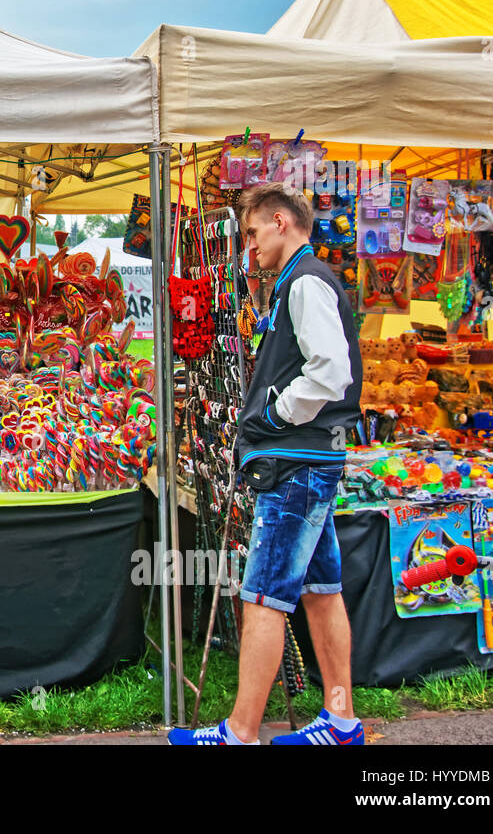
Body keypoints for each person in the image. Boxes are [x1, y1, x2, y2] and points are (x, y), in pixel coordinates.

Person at [169, 182, 364, 746]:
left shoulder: (304, 283)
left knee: (262, 596)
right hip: (308, 460)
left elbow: (330, 372)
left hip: (295, 463)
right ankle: (341, 720)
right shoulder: (296, 283)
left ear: (281, 222)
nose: (248, 245)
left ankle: (240, 732)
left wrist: (274, 416)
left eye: (252, 232)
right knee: (321, 592)